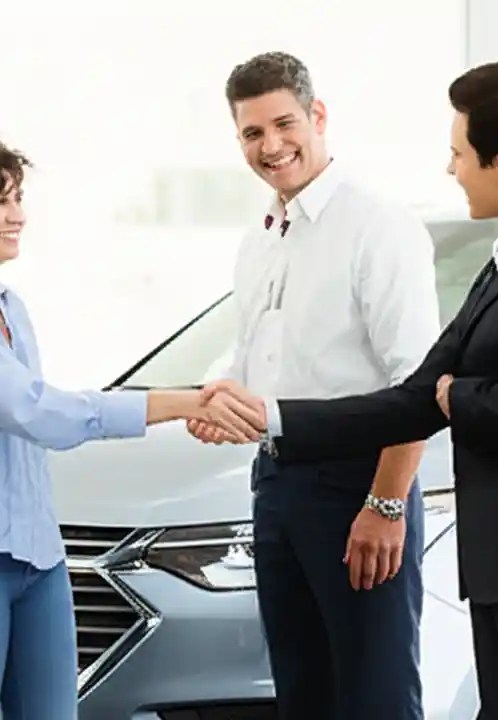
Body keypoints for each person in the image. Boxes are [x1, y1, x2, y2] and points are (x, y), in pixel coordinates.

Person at [205, 59, 498, 720]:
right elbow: (410, 397)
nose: (450, 170)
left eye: (458, 154)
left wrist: (450, 401)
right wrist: (270, 418)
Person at [0, 130, 262, 720]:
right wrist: (184, 401)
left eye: (17, 199)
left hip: (39, 557)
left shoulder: (11, 307)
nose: (16, 216)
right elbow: (38, 412)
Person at [191, 52, 441, 719]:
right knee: (303, 697)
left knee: (375, 696)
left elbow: (415, 385)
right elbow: (257, 362)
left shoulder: (378, 226)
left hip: (358, 485)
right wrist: (216, 402)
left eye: (283, 124)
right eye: (251, 133)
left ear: (317, 115)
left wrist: (385, 506)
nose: (270, 146)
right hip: (276, 486)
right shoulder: (260, 238)